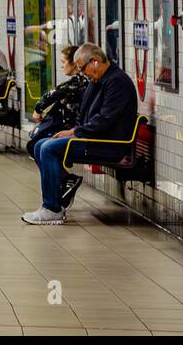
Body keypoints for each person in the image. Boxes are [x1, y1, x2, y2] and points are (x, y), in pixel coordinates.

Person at [23, 42, 139, 225]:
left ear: (94, 62)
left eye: (82, 68)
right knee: (38, 145)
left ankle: (52, 208)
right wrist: (72, 131)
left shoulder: (117, 82)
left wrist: (76, 133)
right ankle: (60, 194)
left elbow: (105, 121)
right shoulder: (97, 80)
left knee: (48, 149)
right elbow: (85, 116)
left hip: (108, 144)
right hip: (93, 138)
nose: (82, 73)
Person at [26, 45, 88, 209]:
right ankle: (62, 182)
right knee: (37, 145)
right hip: (75, 127)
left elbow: (52, 94)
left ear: (75, 64)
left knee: (39, 145)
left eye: (63, 62)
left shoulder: (78, 83)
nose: (61, 65)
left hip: (75, 129)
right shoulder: (82, 83)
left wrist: (38, 108)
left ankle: (57, 192)